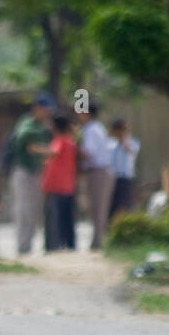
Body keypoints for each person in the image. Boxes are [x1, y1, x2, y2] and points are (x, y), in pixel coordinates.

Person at [10, 93, 55, 255]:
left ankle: (28, 246)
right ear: (37, 108)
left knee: (34, 211)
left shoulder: (43, 127)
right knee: (24, 210)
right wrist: (48, 151)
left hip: (36, 173)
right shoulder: (27, 124)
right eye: (45, 110)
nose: (47, 113)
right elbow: (28, 144)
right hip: (24, 172)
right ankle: (22, 247)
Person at [76, 101, 113, 249]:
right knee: (97, 208)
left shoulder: (91, 130)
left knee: (97, 208)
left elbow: (89, 153)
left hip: (98, 171)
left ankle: (98, 243)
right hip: (100, 171)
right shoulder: (97, 128)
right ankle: (97, 242)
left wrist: (74, 146)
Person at [42, 115, 78, 251]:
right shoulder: (71, 142)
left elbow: (54, 152)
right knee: (68, 220)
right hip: (68, 186)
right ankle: (70, 245)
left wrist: (35, 149)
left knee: (54, 221)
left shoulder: (59, 141)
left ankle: (53, 247)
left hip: (55, 187)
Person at [108, 118, 140, 220]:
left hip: (125, 178)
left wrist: (124, 137)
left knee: (124, 206)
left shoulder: (133, 142)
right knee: (111, 206)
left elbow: (129, 149)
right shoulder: (110, 143)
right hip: (112, 178)